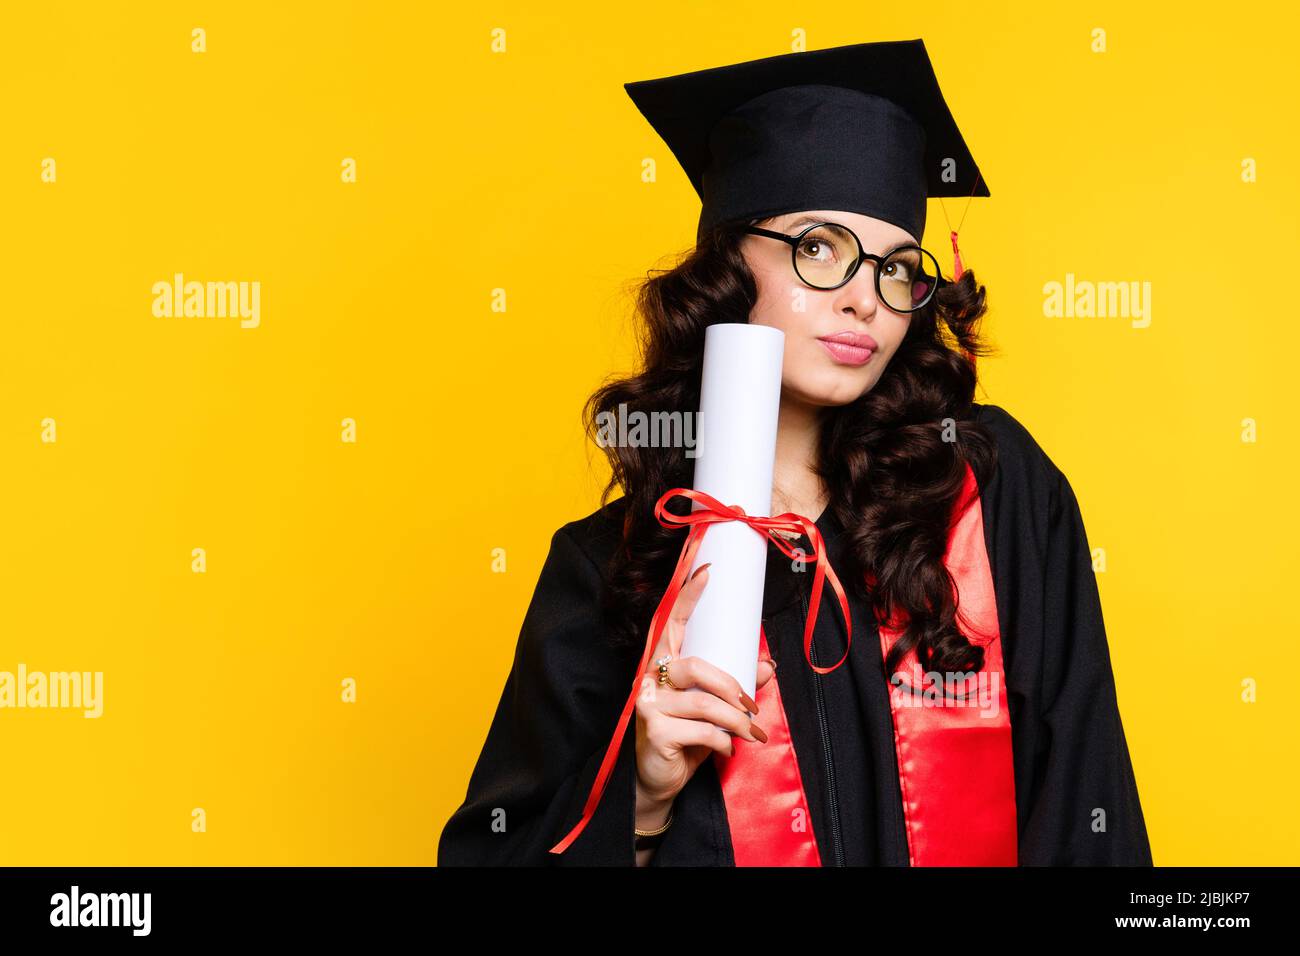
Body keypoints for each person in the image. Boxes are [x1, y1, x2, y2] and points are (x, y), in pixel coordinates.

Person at [438, 39, 1153, 867]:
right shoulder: (612, 567)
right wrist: (642, 797)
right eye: (819, 247)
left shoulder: (986, 492)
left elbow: (1084, 799)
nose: (862, 300)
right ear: (727, 263)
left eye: (894, 268)